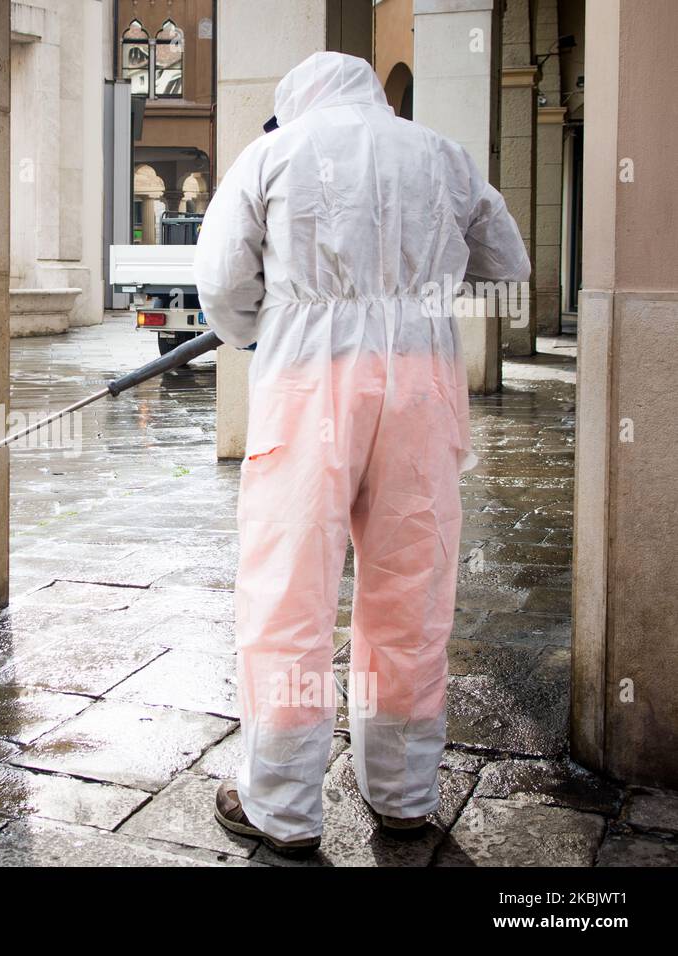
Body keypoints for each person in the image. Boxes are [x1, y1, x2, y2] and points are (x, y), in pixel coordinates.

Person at [194, 51, 529, 856]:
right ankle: (406, 794)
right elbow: (507, 266)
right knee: (412, 586)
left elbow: (220, 282)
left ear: (296, 100)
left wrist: (262, 328)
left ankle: (282, 807)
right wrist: (423, 288)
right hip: (420, 378)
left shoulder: (273, 154)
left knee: (289, 590)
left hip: (308, 379)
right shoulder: (440, 155)